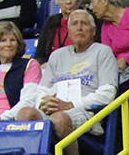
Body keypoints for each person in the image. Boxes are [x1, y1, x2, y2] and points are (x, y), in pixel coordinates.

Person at [21, 10, 117, 155]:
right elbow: (41, 90)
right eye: (74, 24)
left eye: (84, 24)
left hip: (85, 112)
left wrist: (70, 105)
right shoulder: (57, 56)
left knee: (59, 119)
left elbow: (108, 94)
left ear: (93, 30)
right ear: (69, 30)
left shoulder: (103, 52)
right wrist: (44, 103)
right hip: (55, 109)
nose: (79, 27)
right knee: (25, 113)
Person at [0, 21, 42, 122]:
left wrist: (2, 118)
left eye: (12, 40)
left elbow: (28, 100)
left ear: (18, 44)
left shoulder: (30, 65)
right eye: (3, 40)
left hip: (15, 121)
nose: (8, 44)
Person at [35, 0, 100, 65]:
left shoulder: (89, 18)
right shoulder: (51, 22)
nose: (68, 2)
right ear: (57, 1)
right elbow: (40, 55)